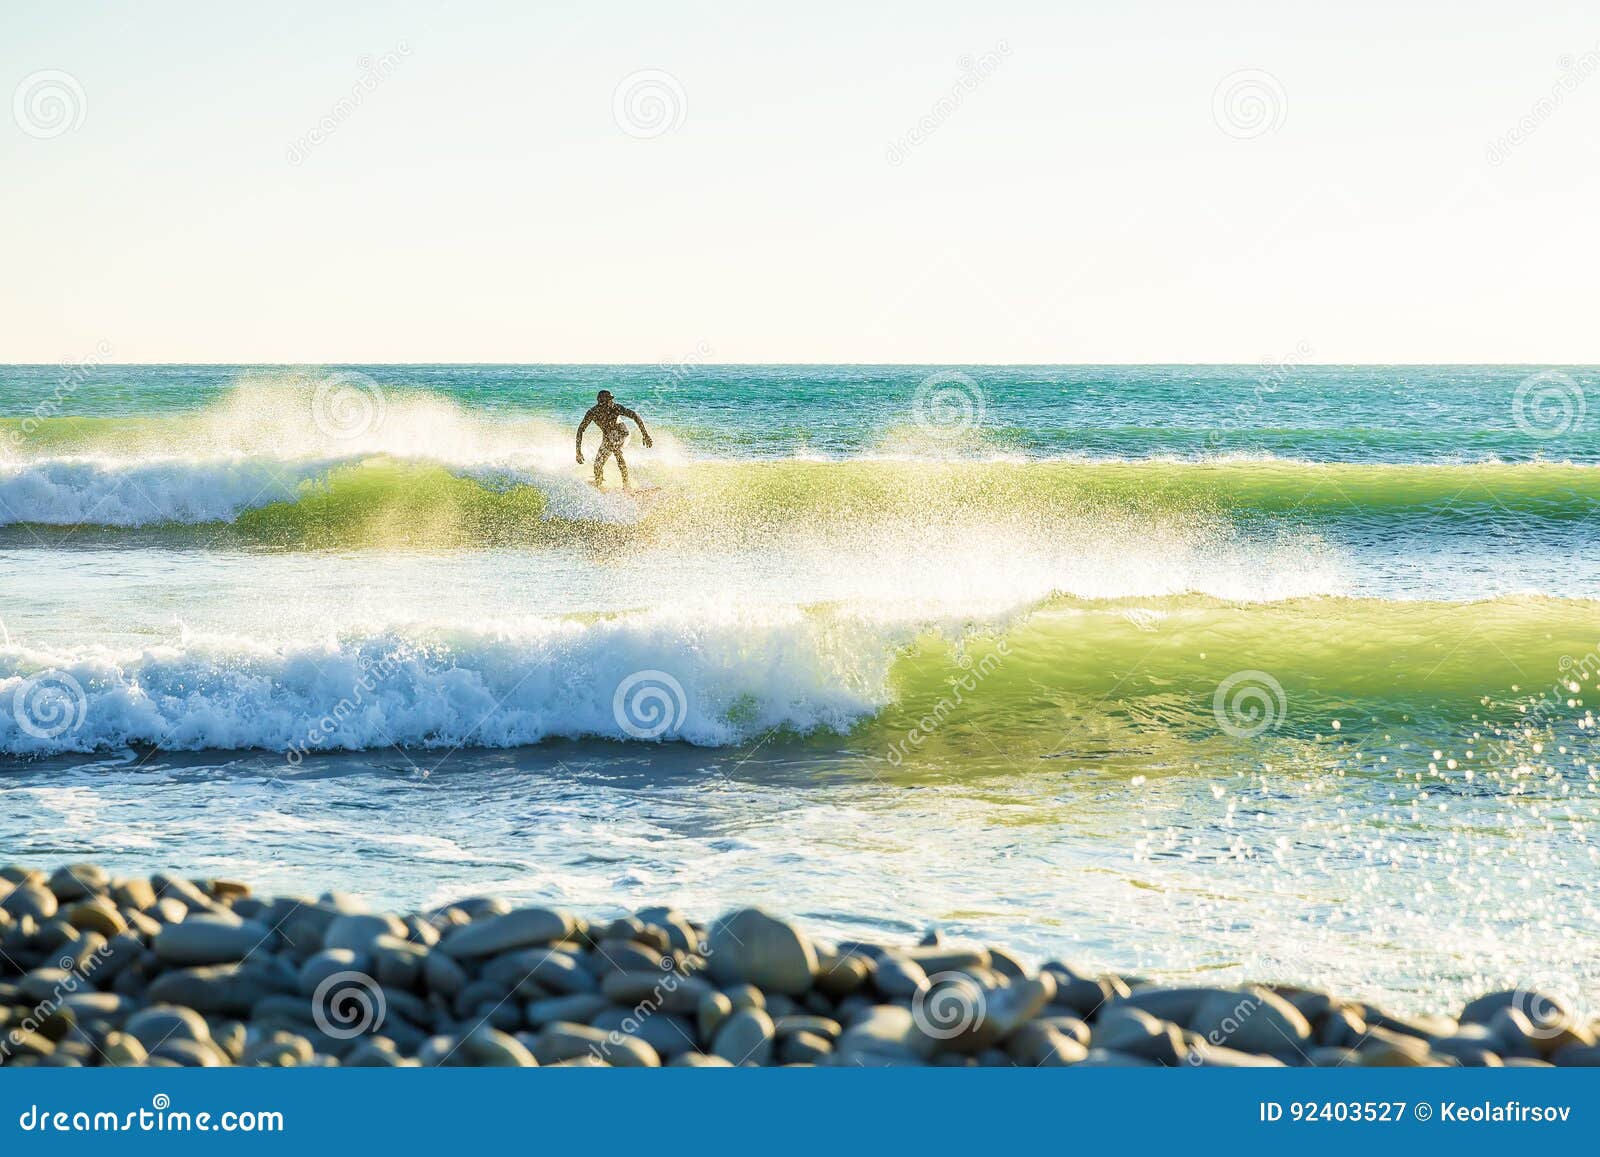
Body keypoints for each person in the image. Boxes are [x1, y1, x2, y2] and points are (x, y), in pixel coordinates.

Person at [576, 390, 653, 487]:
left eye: (611, 400)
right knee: (597, 464)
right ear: (600, 402)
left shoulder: (616, 408)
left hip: (622, 433)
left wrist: (645, 435)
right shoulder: (592, 412)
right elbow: (580, 430)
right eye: (608, 400)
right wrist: (578, 451)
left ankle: (626, 484)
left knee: (616, 449)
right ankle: (599, 483)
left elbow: (635, 416)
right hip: (608, 438)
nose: (611, 402)